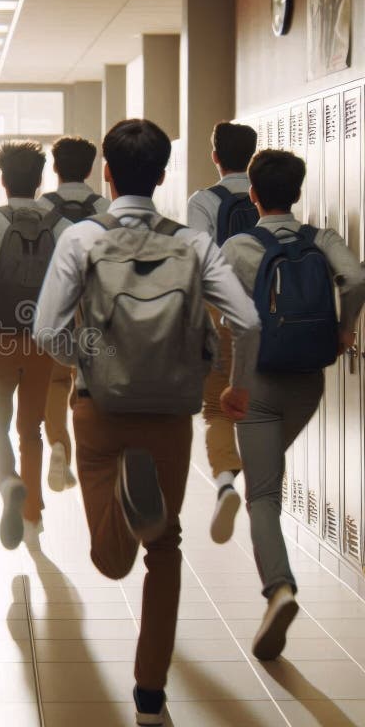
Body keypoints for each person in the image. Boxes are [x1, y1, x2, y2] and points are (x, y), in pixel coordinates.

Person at [34, 119, 260, 726]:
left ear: (107, 171)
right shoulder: (194, 244)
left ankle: (132, 508)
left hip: (100, 410)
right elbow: (248, 321)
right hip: (170, 413)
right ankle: (151, 699)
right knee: (165, 548)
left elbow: (47, 331)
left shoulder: (81, 239)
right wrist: (237, 387)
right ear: (162, 176)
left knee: (111, 560)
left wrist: (93, 362)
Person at [222, 149, 365, 662]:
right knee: (267, 472)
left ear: (253, 194)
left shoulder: (238, 246)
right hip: (308, 381)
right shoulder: (323, 240)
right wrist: (345, 327)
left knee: (264, 495)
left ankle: (278, 588)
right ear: (299, 194)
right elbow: (357, 278)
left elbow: (231, 319)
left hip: (258, 381)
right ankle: (234, 477)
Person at [0, 140, 67, 550]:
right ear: (40, 181)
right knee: (32, 428)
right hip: (42, 338)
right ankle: (33, 515)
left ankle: (7, 481)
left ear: (3, 180)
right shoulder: (61, 225)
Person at [187, 122, 258, 543]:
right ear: (253, 154)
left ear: (215, 156)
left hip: (222, 314)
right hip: (273, 312)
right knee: (261, 408)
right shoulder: (265, 192)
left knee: (217, 408)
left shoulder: (204, 200)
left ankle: (227, 482)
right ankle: (263, 496)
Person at [42, 136, 110, 493]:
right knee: (89, 385)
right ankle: (90, 455)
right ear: (91, 169)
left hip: (54, 305)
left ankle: (57, 445)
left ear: (54, 167)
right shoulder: (104, 205)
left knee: (54, 383)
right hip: (95, 310)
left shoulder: (41, 206)